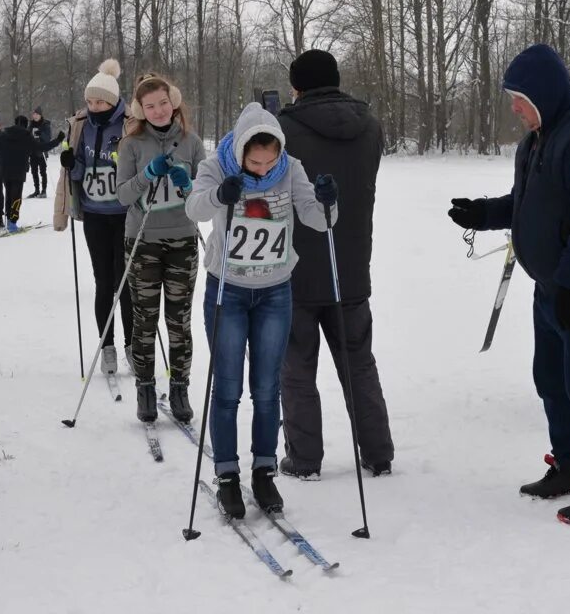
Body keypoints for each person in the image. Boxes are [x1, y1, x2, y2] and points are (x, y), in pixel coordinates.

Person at [447, 44, 570, 524]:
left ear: (543, 94)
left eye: (518, 97)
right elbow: (528, 201)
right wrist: (484, 212)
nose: (513, 107)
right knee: (551, 378)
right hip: (553, 283)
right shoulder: (537, 138)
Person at [186, 102, 338, 519]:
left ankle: (263, 471)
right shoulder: (218, 165)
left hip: (275, 292)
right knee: (229, 388)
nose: (261, 169)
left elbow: (316, 218)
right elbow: (194, 209)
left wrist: (328, 202)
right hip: (228, 291)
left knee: (268, 388)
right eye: (254, 162)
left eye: (269, 161)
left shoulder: (291, 168)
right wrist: (220, 195)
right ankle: (228, 475)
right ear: (241, 153)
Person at [275, 49, 395, 479]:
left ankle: (305, 458)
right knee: (358, 360)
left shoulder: (284, 130)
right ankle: (378, 452)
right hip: (351, 263)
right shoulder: (371, 126)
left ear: (297, 86)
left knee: (298, 365)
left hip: (297, 266)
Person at [115, 74, 205, 423]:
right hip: (143, 240)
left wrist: (188, 182)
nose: (158, 110)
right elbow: (122, 195)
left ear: (174, 102)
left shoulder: (192, 141)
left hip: (183, 238)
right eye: (149, 106)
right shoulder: (132, 144)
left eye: (163, 103)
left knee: (179, 320)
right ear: (140, 110)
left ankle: (180, 386)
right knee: (145, 320)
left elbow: (205, 195)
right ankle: (146, 387)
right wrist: (148, 175)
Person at [57, 59, 135, 373]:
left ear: (113, 101)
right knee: (103, 282)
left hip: (124, 213)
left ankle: (132, 344)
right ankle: (108, 346)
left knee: (125, 282)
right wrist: (69, 163)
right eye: (90, 101)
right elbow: (79, 170)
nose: (94, 106)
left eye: (100, 101)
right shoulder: (81, 124)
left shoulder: (129, 123)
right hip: (93, 213)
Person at [0, 115, 64, 233]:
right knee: (16, 197)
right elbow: (41, 147)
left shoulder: (3, 134)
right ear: (25, 125)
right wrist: (58, 140)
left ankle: (8, 219)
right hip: (19, 171)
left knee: (8, 195)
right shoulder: (26, 136)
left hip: (5, 171)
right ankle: (12, 223)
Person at [28, 106, 52, 198]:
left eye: (37, 114)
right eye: (33, 114)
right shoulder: (31, 125)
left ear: (40, 115)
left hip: (42, 151)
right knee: (34, 171)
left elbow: (48, 138)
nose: (35, 116)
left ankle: (44, 190)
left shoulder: (45, 124)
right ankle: (36, 190)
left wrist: (40, 134)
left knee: (42, 171)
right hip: (33, 151)